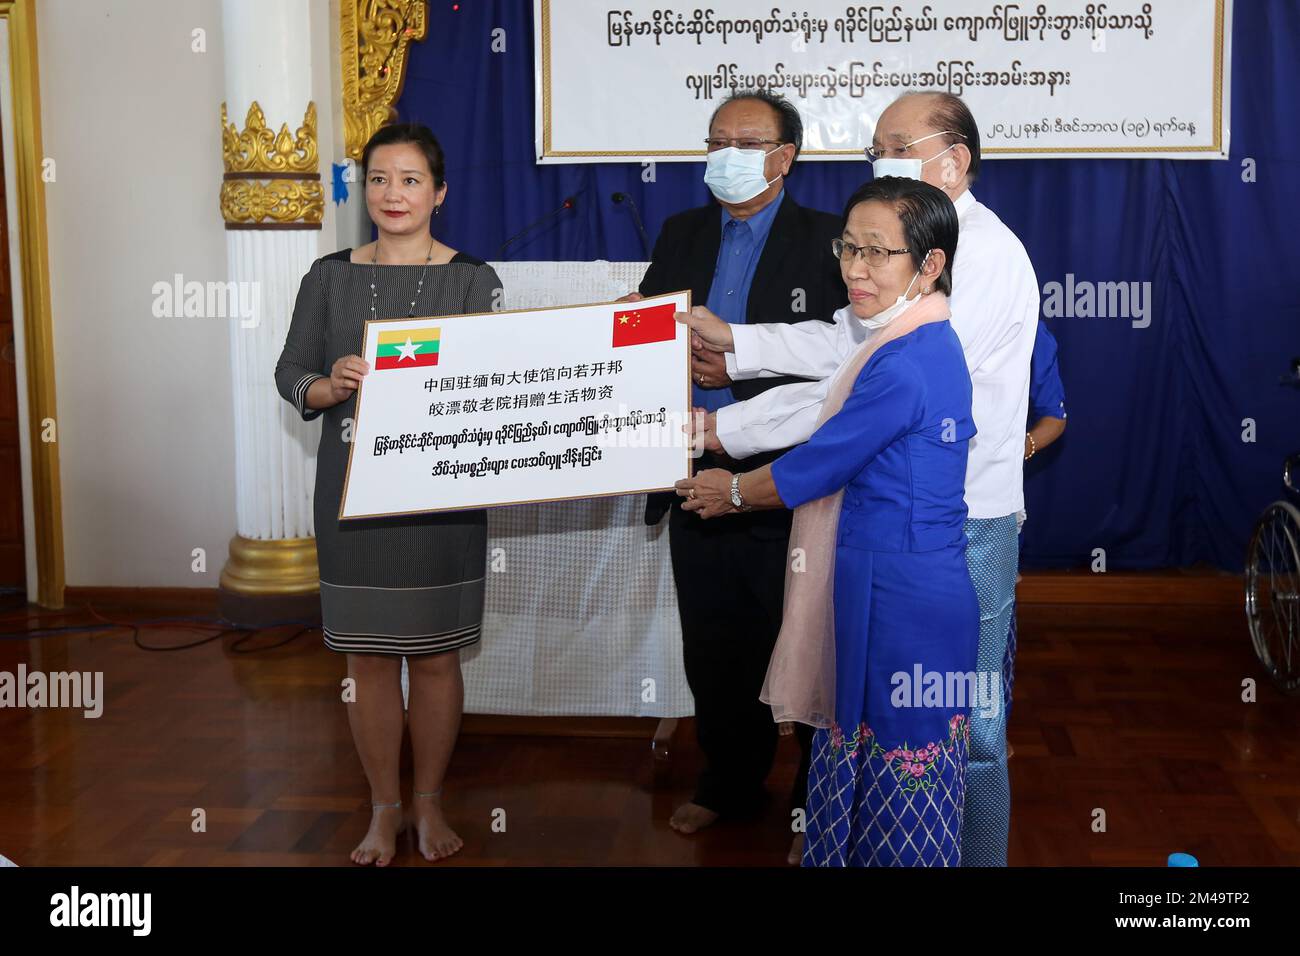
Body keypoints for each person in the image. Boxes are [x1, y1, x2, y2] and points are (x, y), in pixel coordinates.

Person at [681, 91, 1039, 866]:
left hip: (956, 528)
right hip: (878, 537)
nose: (860, 268)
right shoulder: (905, 251)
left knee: (961, 732)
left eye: (897, 145)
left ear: (956, 158)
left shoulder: (984, 259)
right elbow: (840, 342)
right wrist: (736, 345)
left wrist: (726, 457)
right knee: (871, 732)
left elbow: (850, 396)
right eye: (852, 251)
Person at [275, 123, 502, 866]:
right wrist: (327, 384)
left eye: (409, 180)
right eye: (378, 178)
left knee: (437, 659)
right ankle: (383, 810)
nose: (392, 194)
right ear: (364, 189)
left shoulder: (475, 279)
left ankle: (430, 804)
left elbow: (497, 385)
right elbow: (291, 374)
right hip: (351, 496)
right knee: (367, 661)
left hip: (442, 496)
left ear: (438, 192)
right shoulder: (328, 276)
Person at [628, 88, 844, 859]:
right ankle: (729, 779)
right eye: (716, 139)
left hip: (788, 474)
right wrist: (625, 329)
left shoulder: (830, 241)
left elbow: (836, 359)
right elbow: (646, 327)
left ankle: (820, 800)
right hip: (693, 464)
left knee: (809, 642)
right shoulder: (683, 229)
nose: (726, 154)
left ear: (785, 157)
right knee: (715, 643)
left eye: (745, 142)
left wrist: (736, 363)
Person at [1005, 319, 1068, 727]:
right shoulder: (921, 315)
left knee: (993, 628)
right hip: (916, 496)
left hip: (993, 504)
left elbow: (1054, 417)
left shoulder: (1027, 327)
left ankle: (986, 737)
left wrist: (1020, 447)